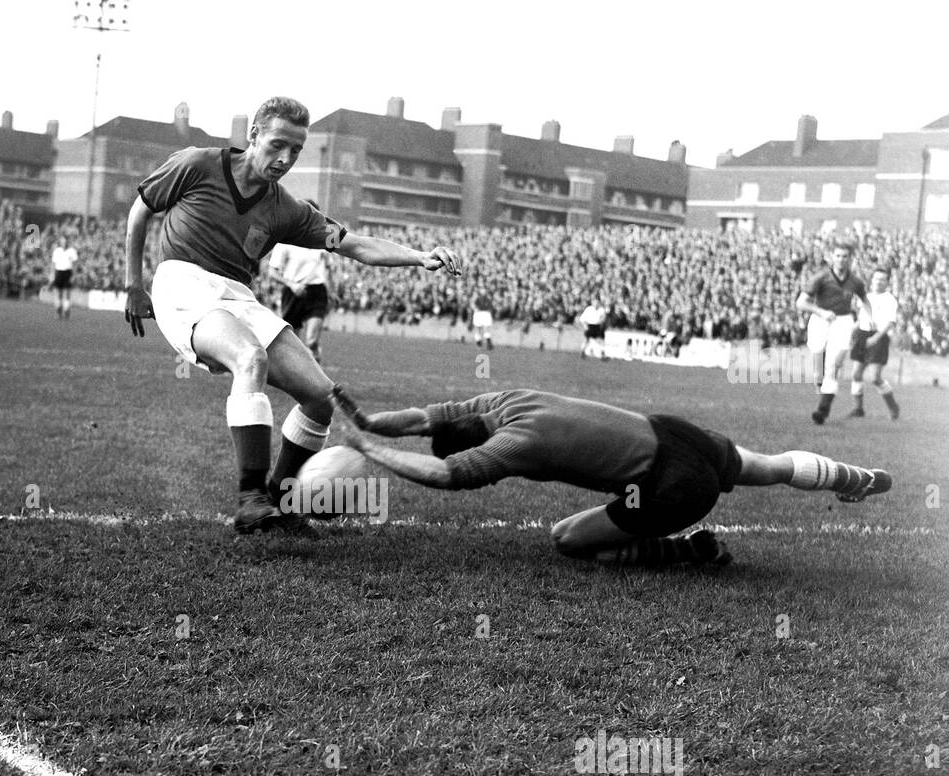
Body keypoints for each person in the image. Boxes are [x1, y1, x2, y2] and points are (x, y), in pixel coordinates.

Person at [123, 95, 461, 534]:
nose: (285, 158)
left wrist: (420, 257)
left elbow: (355, 244)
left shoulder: (285, 208)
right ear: (254, 135)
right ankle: (250, 498)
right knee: (251, 358)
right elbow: (140, 212)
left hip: (236, 295)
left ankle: (282, 504)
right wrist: (133, 284)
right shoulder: (197, 164)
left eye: (296, 151)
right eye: (277, 144)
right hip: (182, 283)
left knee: (321, 397)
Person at [335, 387, 892, 568]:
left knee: (568, 539)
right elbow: (426, 417)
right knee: (768, 467)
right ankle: (854, 476)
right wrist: (367, 420)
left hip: (668, 487)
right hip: (675, 432)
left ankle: (689, 551)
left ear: (482, 438)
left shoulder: (512, 445)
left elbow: (445, 475)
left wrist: (368, 448)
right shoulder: (506, 400)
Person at [796, 242, 872, 424]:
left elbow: (865, 301)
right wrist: (821, 312)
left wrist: (869, 320)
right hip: (820, 319)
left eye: (845, 256)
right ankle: (820, 382)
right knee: (818, 365)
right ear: (832, 257)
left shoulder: (855, 281)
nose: (841, 260)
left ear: (850, 259)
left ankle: (822, 411)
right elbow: (801, 302)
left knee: (834, 365)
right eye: (838, 256)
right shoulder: (821, 277)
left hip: (843, 321)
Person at [267, 200, 331, 362]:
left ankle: (318, 374)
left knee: (312, 340)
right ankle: (303, 376)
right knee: (294, 344)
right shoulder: (285, 241)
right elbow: (271, 271)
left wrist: (332, 290)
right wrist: (292, 284)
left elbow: (328, 268)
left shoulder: (325, 240)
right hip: (293, 292)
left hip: (317, 292)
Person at [847, 265, 901, 420]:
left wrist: (876, 338)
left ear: (887, 282)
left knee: (875, 377)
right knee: (856, 374)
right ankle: (858, 409)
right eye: (876, 279)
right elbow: (862, 317)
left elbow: (890, 323)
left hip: (878, 337)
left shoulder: (889, 300)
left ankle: (893, 407)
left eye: (883, 280)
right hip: (863, 335)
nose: (879, 282)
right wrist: (852, 331)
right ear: (872, 280)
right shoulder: (866, 297)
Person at [51, 233, 79, 319]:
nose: (64, 242)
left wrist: (73, 276)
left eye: (66, 240)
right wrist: (52, 274)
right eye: (63, 240)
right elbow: (53, 264)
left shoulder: (72, 251)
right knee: (57, 292)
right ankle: (58, 311)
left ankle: (66, 311)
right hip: (59, 272)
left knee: (67, 293)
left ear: (68, 241)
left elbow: (75, 265)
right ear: (60, 241)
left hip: (68, 272)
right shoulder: (57, 251)